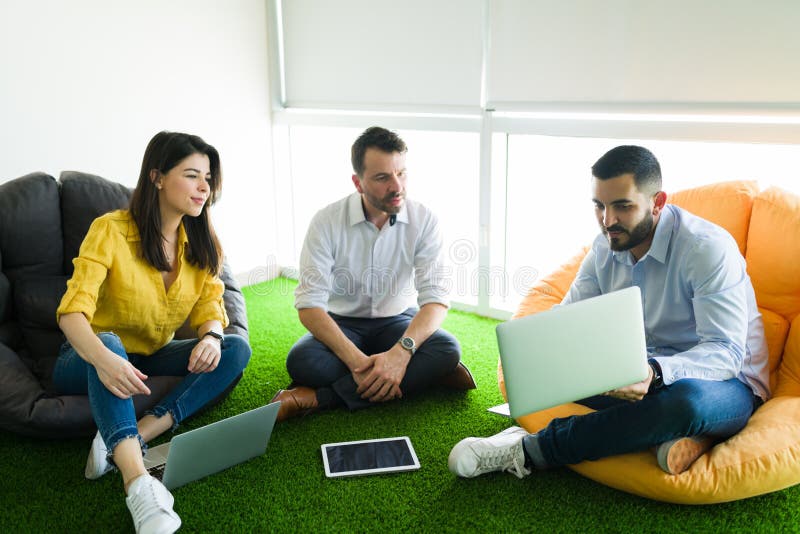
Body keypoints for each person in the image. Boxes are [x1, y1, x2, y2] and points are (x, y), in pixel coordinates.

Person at [448, 145, 769, 479]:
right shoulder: (605, 246)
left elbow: (726, 353)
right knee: (571, 372)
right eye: (599, 206)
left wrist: (654, 372)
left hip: (726, 383)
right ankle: (669, 434)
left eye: (622, 206)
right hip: (640, 371)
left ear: (657, 202)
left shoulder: (706, 249)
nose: (608, 220)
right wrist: (546, 355)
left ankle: (529, 449)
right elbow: (567, 320)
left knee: (686, 404)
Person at [54, 131, 251, 534]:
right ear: (157, 177)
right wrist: (104, 359)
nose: (204, 187)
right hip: (86, 357)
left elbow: (211, 306)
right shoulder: (110, 231)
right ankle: (139, 484)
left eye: (208, 178)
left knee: (235, 348)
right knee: (110, 342)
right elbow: (72, 313)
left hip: (149, 356)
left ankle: (139, 433)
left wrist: (211, 337)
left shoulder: (202, 242)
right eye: (192, 175)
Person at [271, 126, 475, 422]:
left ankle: (314, 398)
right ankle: (424, 376)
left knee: (447, 349)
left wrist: (402, 353)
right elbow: (309, 306)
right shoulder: (326, 221)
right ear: (358, 183)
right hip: (342, 323)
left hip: (397, 320)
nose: (397, 186)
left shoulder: (424, 220)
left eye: (401, 173)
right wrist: (355, 361)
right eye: (382, 177)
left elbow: (436, 300)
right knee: (303, 361)